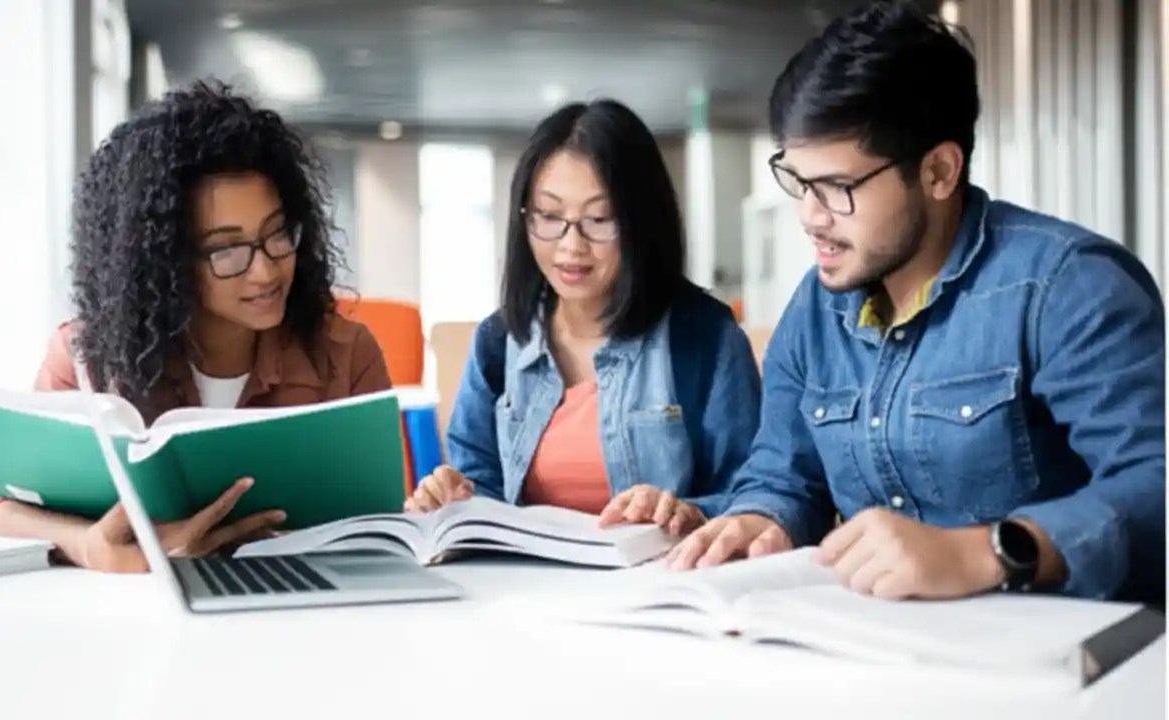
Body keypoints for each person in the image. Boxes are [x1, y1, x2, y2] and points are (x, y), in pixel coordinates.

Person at [669, 0, 1165, 605]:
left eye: (837, 187)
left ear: (938, 171)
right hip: (883, 656)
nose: (809, 217)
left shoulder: (1068, 286)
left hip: (1059, 667)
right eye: (798, 181)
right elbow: (784, 474)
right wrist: (761, 518)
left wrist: (986, 551)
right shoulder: (814, 309)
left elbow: (1155, 481)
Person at [0, 81, 392, 572]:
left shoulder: (346, 354)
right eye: (227, 250)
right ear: (163, 263)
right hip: (133, 620)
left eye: (278, 234)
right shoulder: (88, 356)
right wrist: (88, 544)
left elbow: (384, 523)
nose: (266, 270)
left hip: (299, 613)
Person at [406, 99, 763, 538]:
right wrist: (451, 497)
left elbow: (756, 493)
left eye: (599, 219)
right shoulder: (499, 342)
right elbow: (479, 487)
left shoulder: (705, 339)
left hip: (664, 589)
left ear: (641, 223)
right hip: (527, 587)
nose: (571, 246)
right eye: (550, 217)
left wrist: (689, 512)